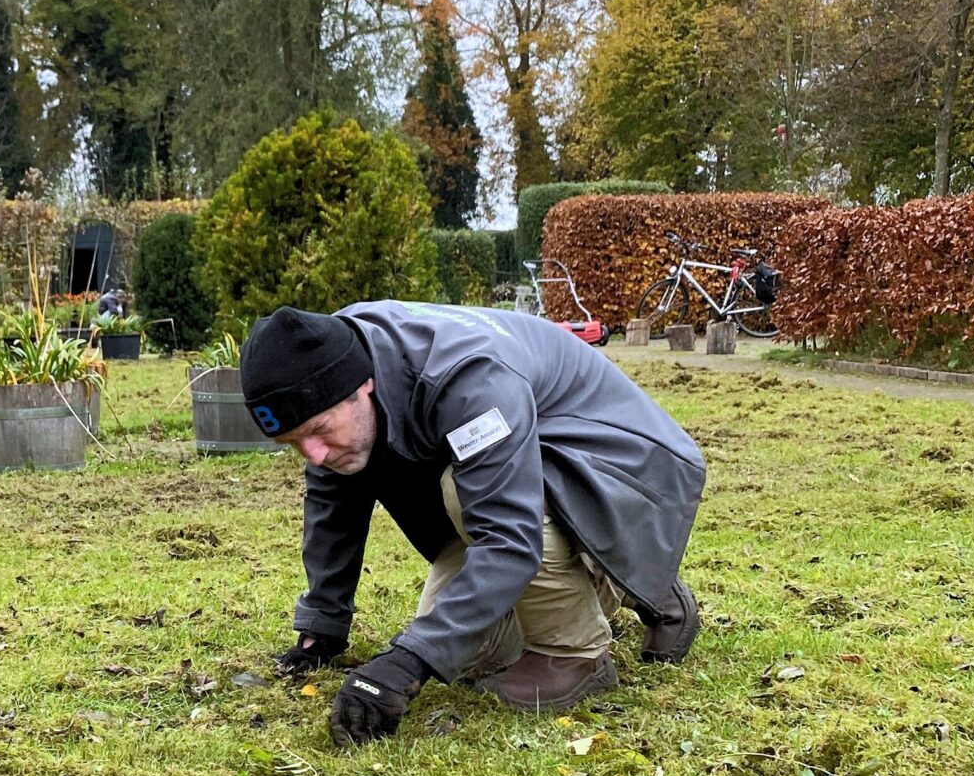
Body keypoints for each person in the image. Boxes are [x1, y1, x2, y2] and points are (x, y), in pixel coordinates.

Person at [240, 301, 705, 744]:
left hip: (626, 467)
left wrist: (408, 662)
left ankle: (580, 645)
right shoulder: (332, 358)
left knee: (463, 499)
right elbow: (334, 503)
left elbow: (507, 536)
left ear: (364, 385)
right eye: (294, 443)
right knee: (470, 654)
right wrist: (322, 627)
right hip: (517, 481)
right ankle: (609, 573)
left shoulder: (468, 378)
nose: (313, 455)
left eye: (320, 430)